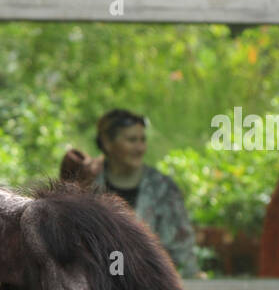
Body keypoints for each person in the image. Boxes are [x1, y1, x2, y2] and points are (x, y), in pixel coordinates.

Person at [61, 109, 197, 277]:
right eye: (132, 140)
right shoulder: (87, 186)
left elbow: (182, 250)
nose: (140, 148)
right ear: (107, 143)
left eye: (143, 140)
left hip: (152, 286)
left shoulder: (162, 188)